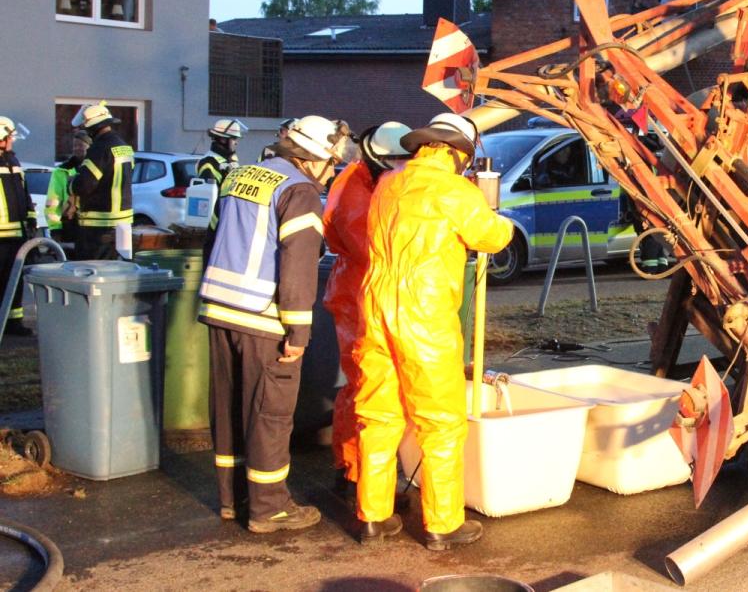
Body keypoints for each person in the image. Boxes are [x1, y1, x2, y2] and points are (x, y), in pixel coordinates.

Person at [355, 113, 513, 549]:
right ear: (460, 153)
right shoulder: (454, 190)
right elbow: (491, 236)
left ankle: (374, 516)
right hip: (423, 313)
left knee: (378, 414)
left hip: (374, 306)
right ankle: (443, 524)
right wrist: (497, 214)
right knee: (441, 422)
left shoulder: (389, 182)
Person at [198, 114, 345, 534]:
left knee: (229, 410)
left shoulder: (239, 176)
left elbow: (213, 238)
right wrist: (299, 332)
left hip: (220, 308)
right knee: (270, 414)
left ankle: (232, 501)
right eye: (329, 161)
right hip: (263, 317)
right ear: (311, 156)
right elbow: (298, 268)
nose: (331, 170)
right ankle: (269, 508)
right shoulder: (299, 192)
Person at [322, 120, 411, 506]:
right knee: (368, 387)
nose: (398, 169)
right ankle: (359, 472)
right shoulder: (355, 189)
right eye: (393, 162)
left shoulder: (363, 180)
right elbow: (371, 246)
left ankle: (351, 466)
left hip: (361, 290)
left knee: (360, 385)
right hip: (358, 293)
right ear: (377, 158)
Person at [70, 102, 133, 260]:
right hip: (123, 223)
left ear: (92, 128)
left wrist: (71, 183)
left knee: (93, 273)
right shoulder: (123, 146)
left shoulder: (99, 149)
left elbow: (83, 185)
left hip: (98, 226)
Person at [0, 117, 36, 337]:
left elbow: (24, 192)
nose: (12, 139)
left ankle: (14, 322)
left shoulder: (13, 161)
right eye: (10, 136)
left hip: (17, 232)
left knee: (14, 279)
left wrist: (31, 216)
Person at [46, 130, 90, 247]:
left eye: (80, 145)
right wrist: (55, 229)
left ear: (90, 147)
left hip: (91, 226)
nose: (76, 148)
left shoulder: (97, 168)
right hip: (69, 226)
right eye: (74, 145)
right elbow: (53, 203)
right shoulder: (61, 172)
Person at [197, 119, 245, 186]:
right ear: (223, 139)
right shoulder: (208, 163)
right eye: (234, 138)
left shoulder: (230, 159)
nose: (236, 143)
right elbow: (212, 192)